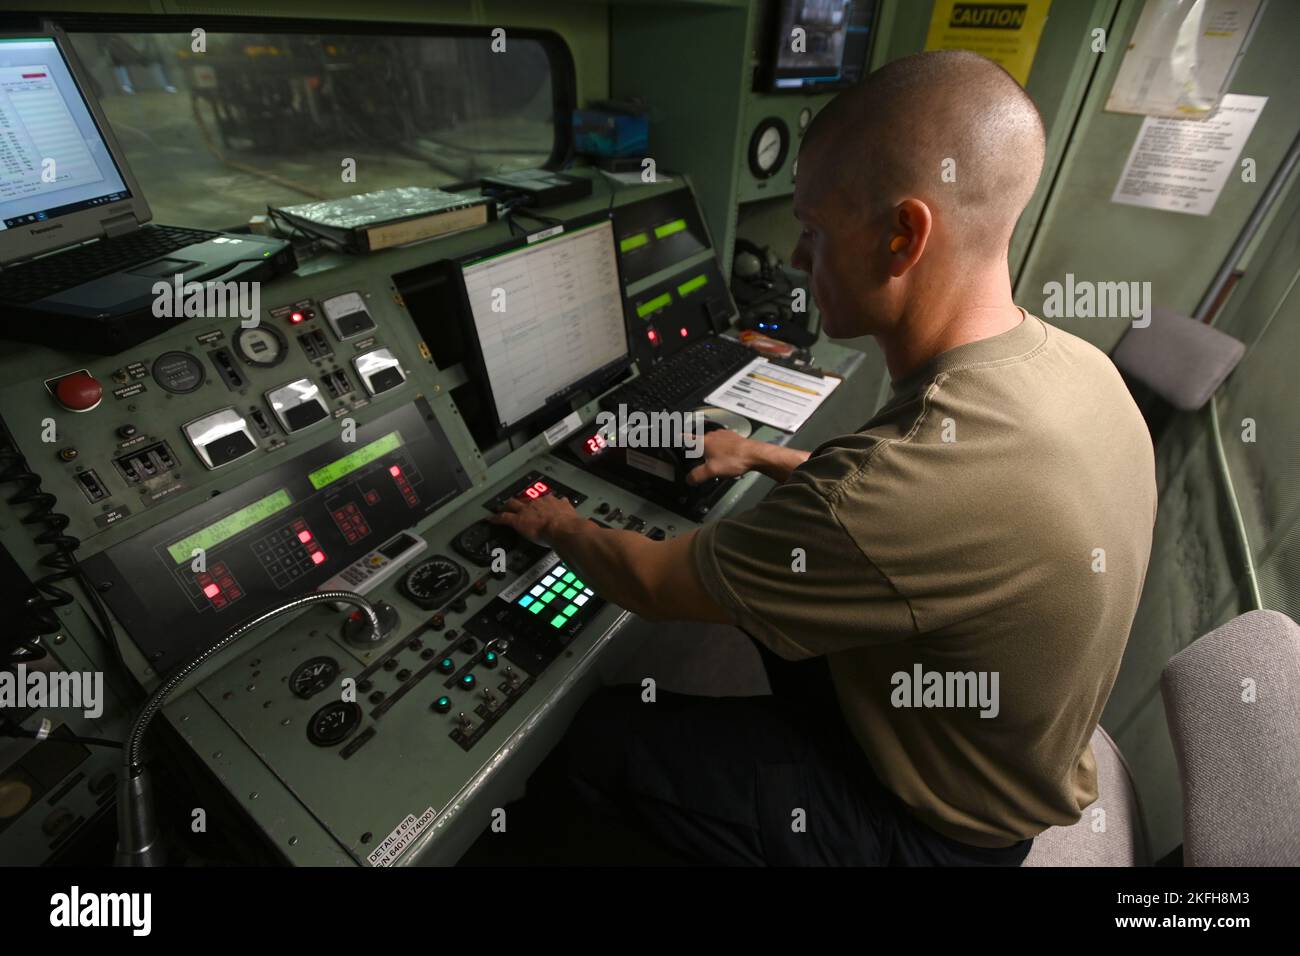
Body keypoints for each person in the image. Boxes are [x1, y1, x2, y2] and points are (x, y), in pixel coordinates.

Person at [491, 50, 1157, 865]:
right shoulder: (1079, 367)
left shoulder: (896, 487)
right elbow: (941, 523)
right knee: (772, 594)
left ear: (903, 235)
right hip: (999, 748)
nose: (799, 262)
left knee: (602, 737)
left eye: (812, 232)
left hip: (938, 832)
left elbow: (653, 583)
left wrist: (556, 519)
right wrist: (769, 459)